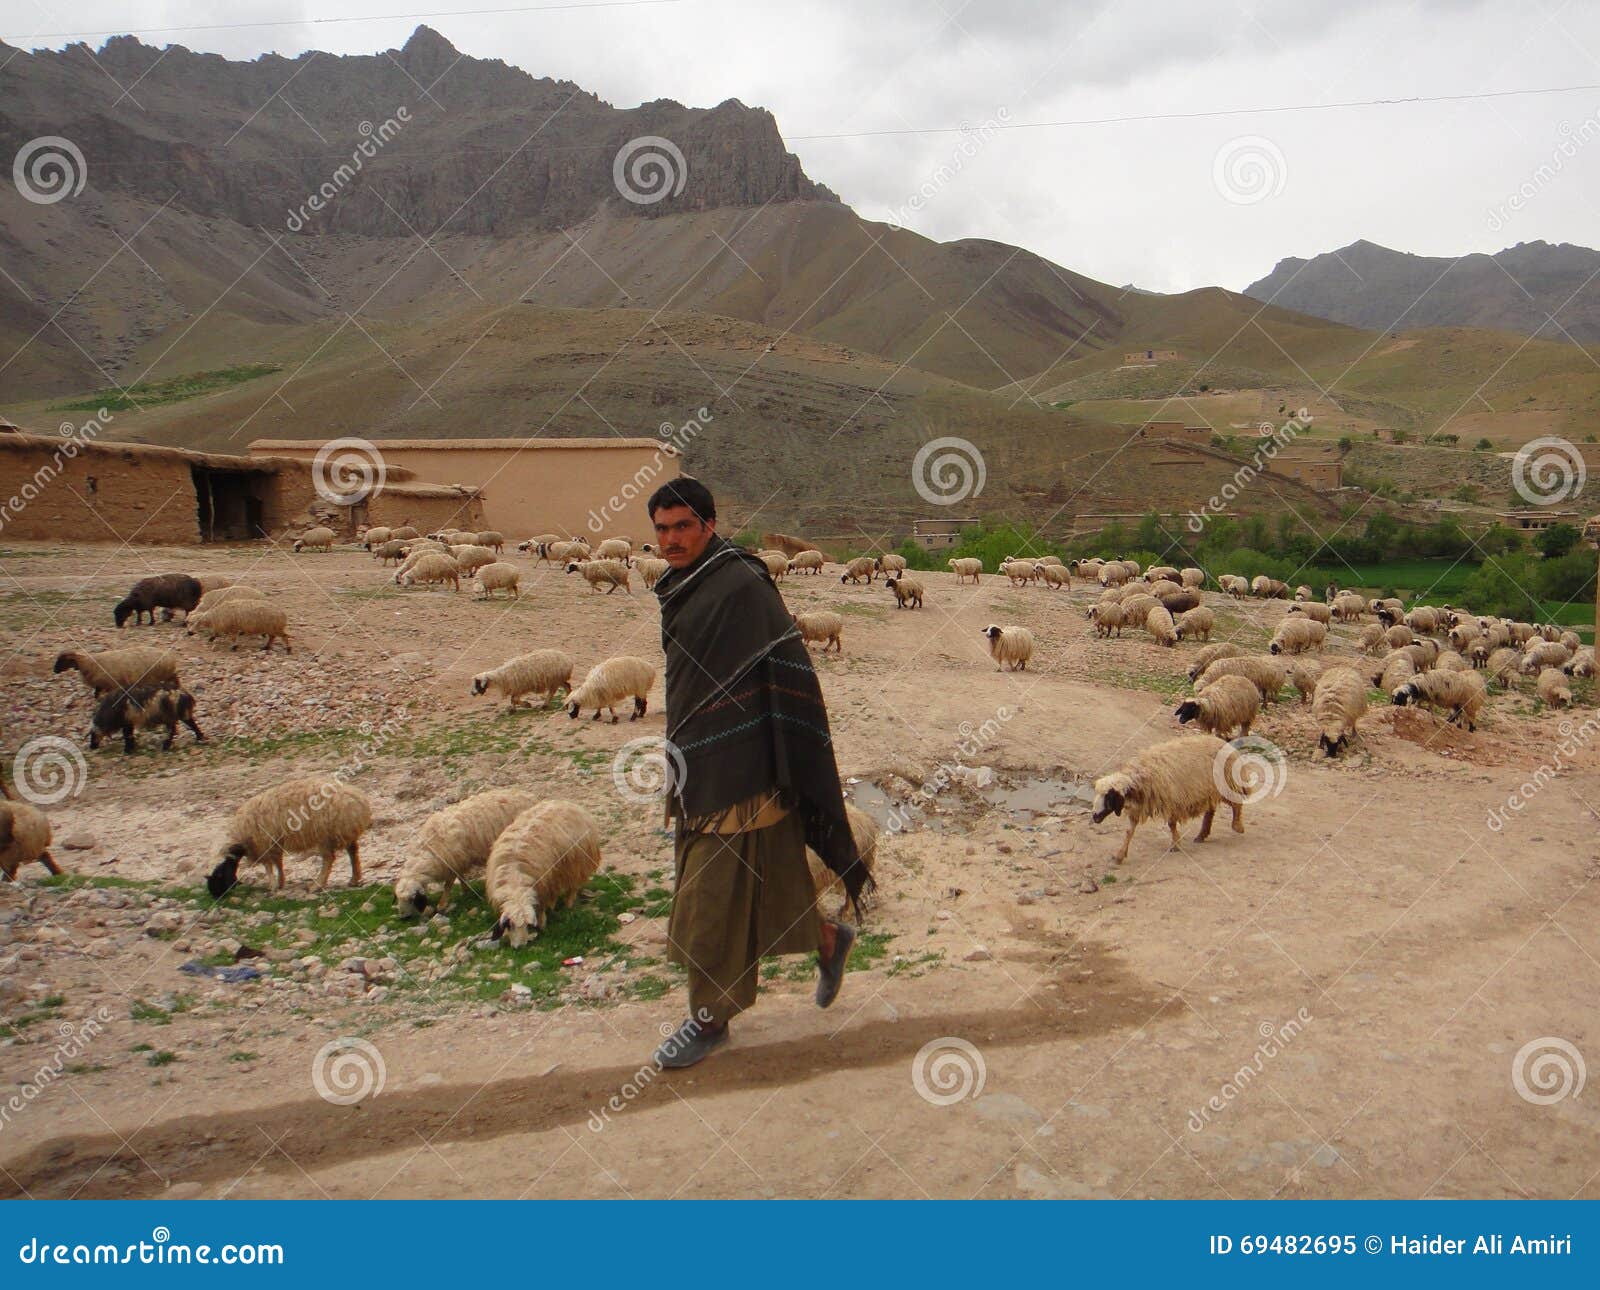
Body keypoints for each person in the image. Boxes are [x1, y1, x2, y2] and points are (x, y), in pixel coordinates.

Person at [647, 477, 871, 1068]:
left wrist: (775, 743)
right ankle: (829, 940)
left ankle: (709, 1019)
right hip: (699, 758)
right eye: (662, 529)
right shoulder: (680, 584)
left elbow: (788, 662)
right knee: (774, 874)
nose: (671, 540)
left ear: (709, 524)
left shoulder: (741, 583)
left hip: (743, 763)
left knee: (707, 899)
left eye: (682, 527)